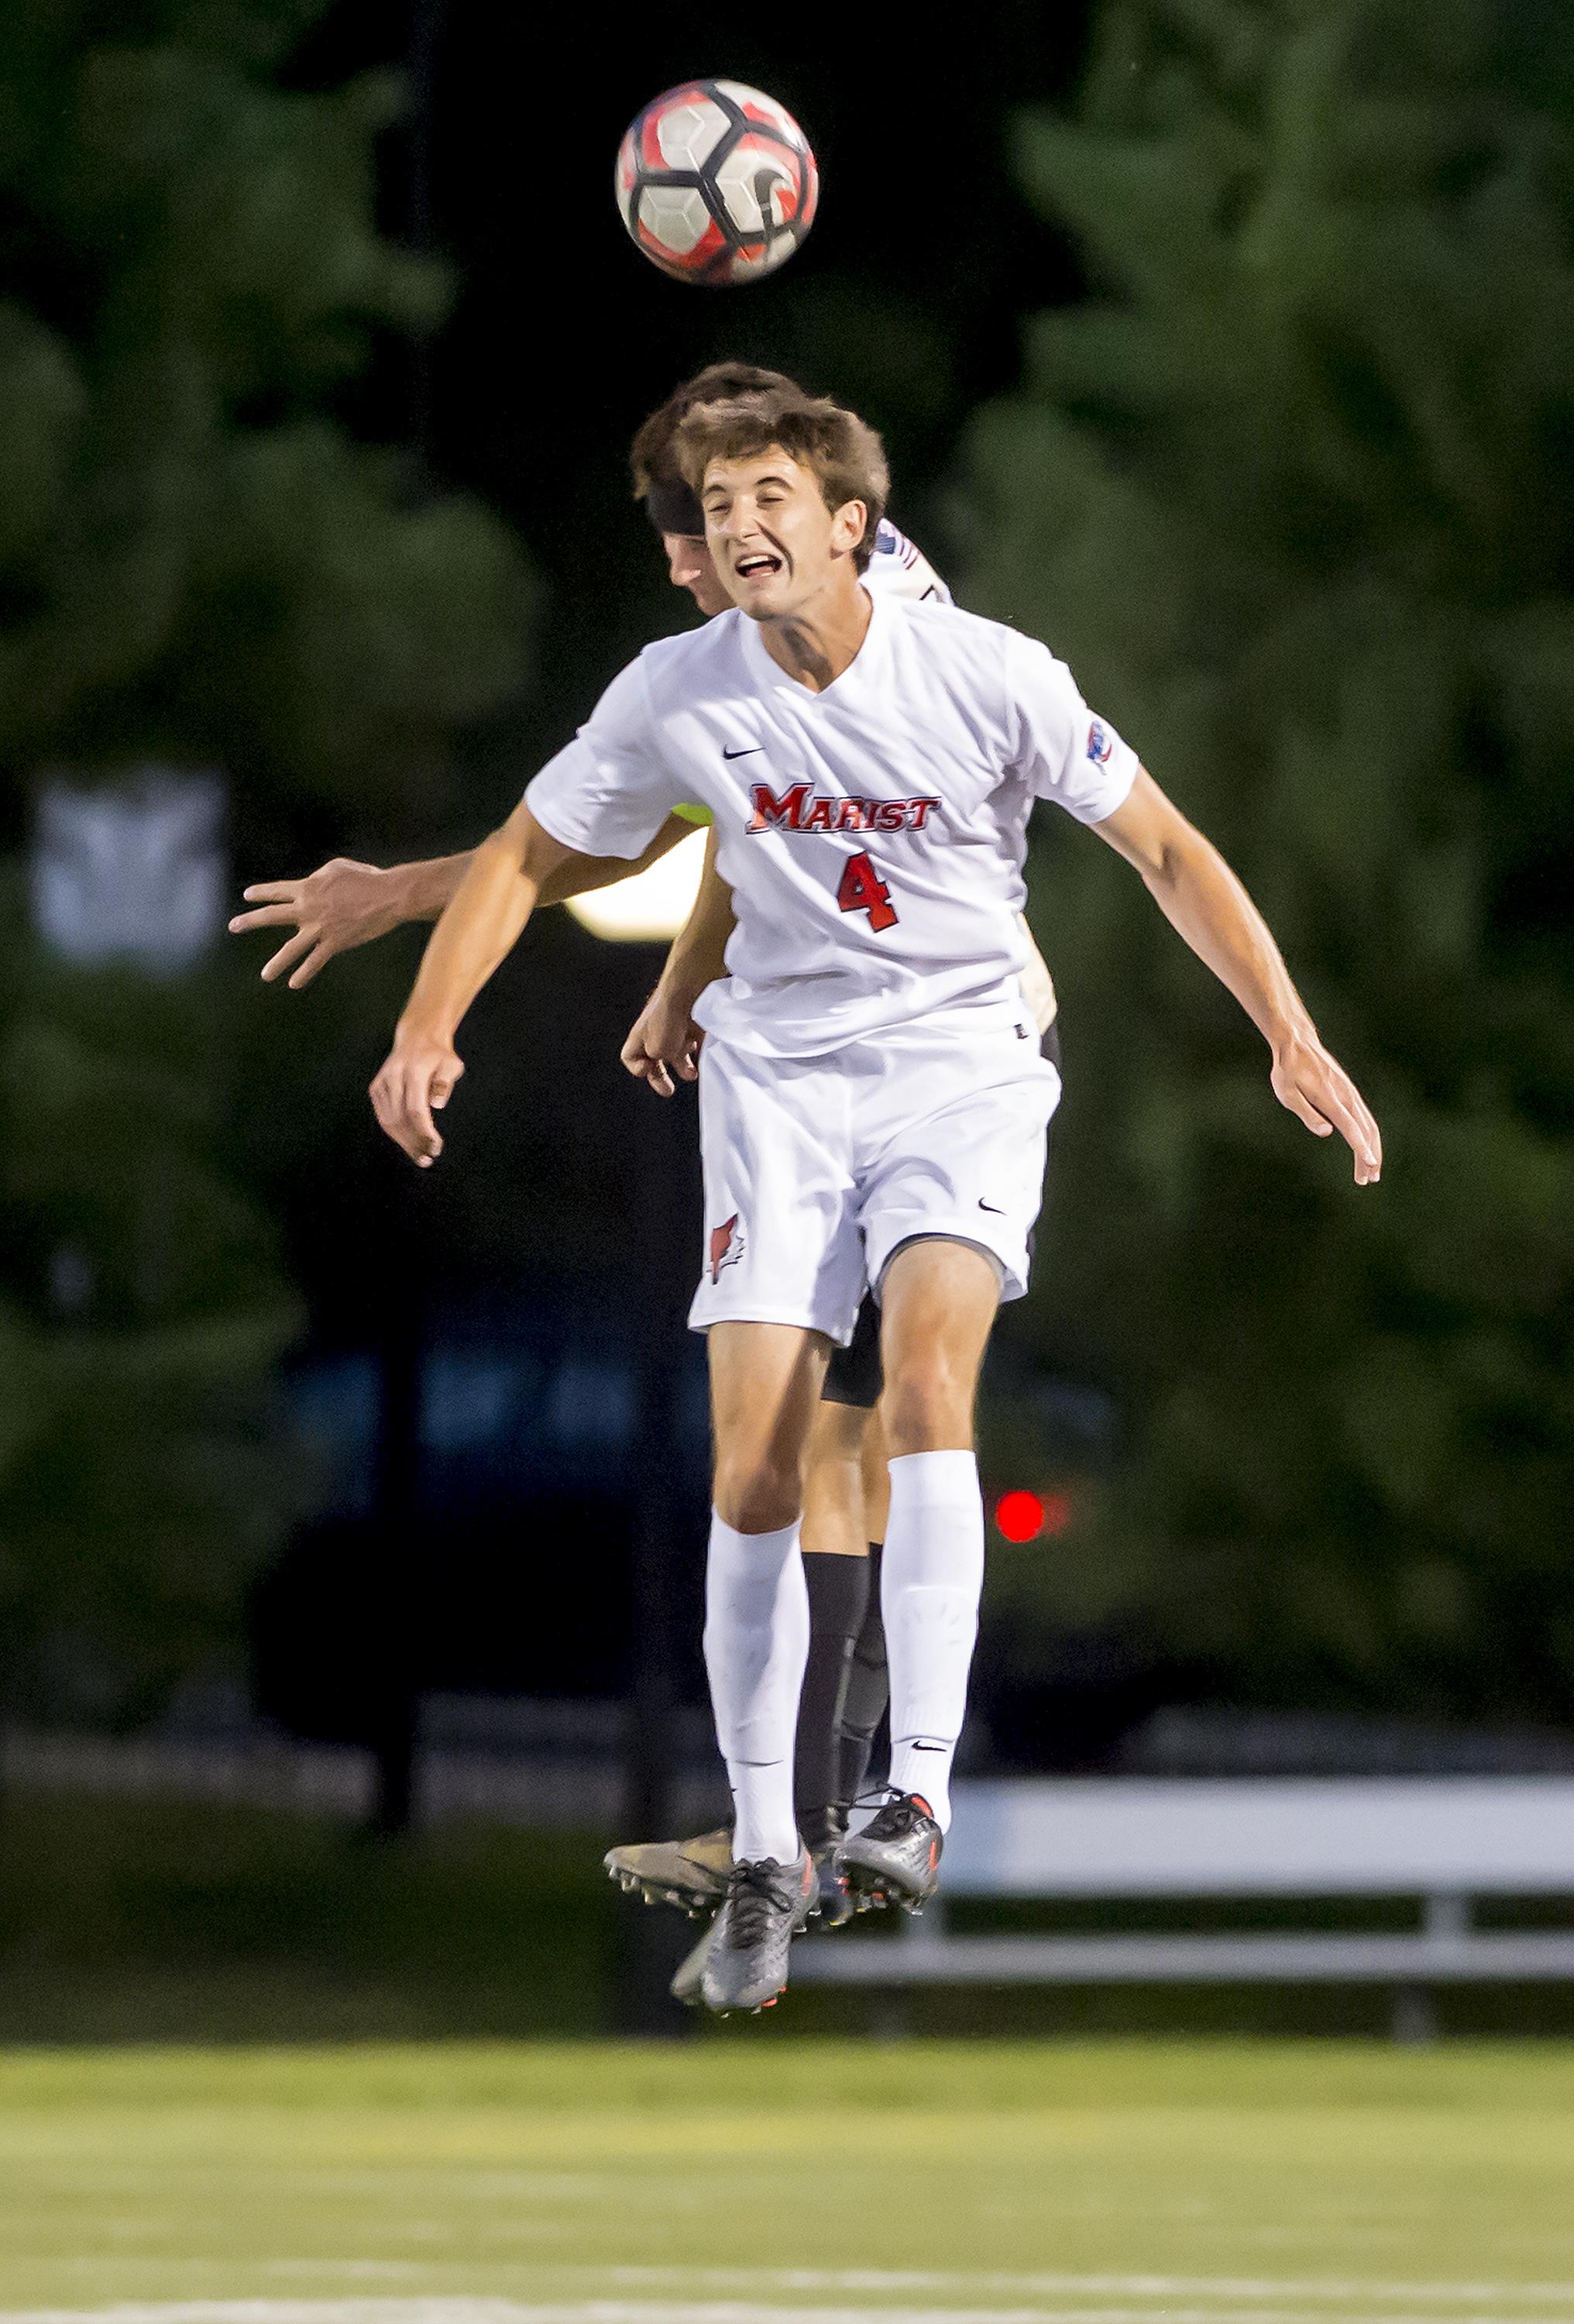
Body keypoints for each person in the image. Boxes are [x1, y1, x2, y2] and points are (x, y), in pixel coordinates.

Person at [366, 383, 1382, 2013]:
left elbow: (1169, 848)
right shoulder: (676, 686)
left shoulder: (973, 663)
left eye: (762, 499)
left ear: (852, 525)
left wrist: (1290, 1034)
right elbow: (586, 842)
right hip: (778, 1079)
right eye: (711, 507)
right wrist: (436, 1018)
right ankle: (775, 1840)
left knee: (918, 1387)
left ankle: (908, 1787)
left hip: (962, 1057)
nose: (723, 536)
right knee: (763, 1465)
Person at [226, 363, 1000, 1954]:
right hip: (821, 1010)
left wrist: (426, 902)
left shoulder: (888, 602)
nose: (678, 559)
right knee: (795, 1433)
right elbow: (734, 814)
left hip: (943, 1025)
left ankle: (842, 1802)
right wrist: (667, 968)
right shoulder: (754, 629)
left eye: (697, 528)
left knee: (870, 1419)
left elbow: (748, 822)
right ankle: (806, 1815)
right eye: (676, 527)